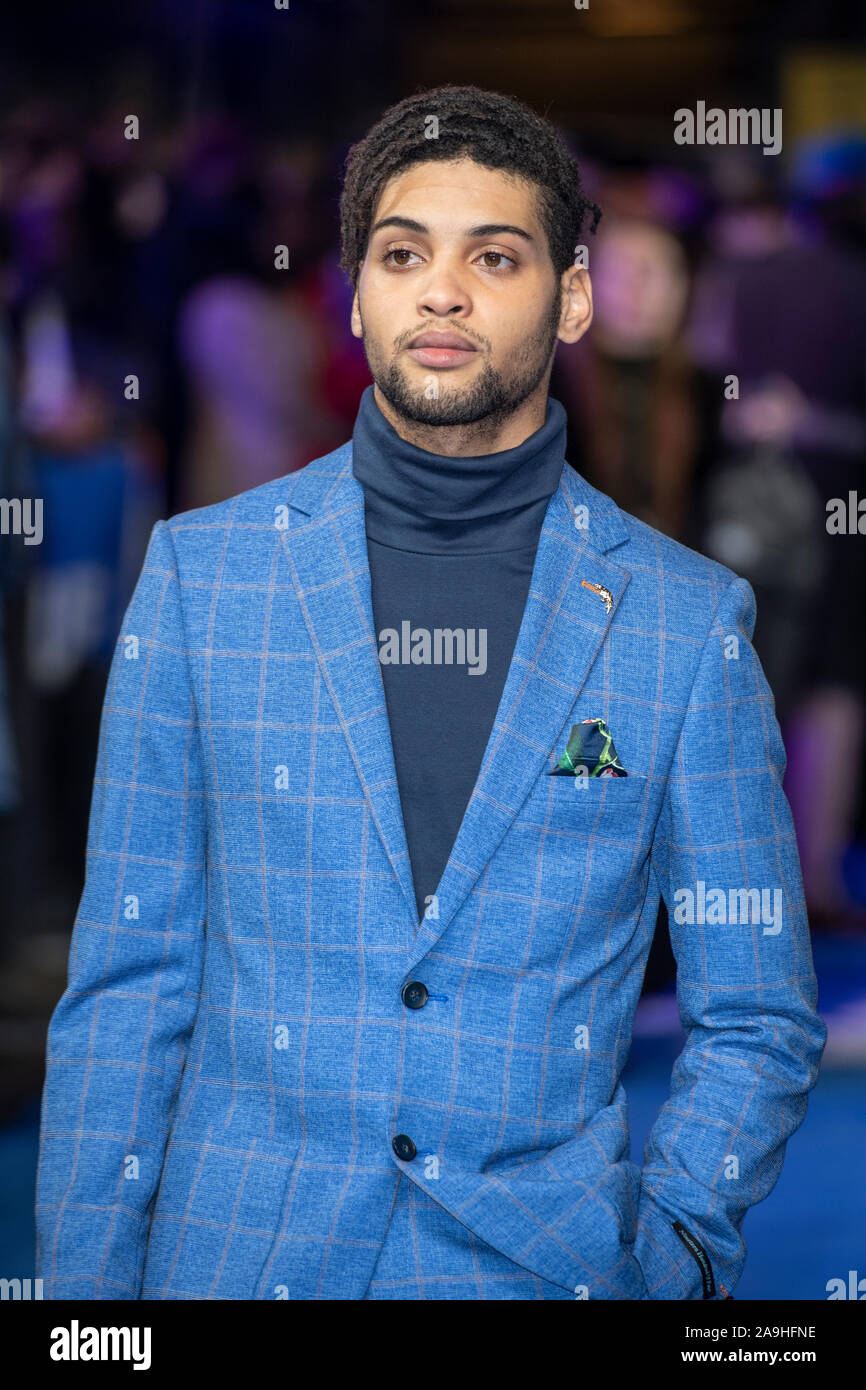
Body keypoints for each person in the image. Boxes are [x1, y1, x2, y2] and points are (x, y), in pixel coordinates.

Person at [35, 84, 826, 1302]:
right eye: (402, 254)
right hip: (237, 1265)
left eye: (493, 256)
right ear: (355, 293)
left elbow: (756, 1010)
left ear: (569, 297)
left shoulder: (680, 623)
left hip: (541, 1270)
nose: (440, 291)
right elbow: (127, 986)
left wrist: (671, 1248)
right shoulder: (204, 578)